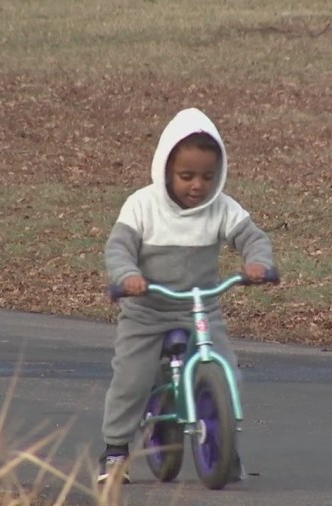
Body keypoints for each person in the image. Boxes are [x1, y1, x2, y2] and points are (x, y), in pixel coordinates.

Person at [99, 107, 275, 484]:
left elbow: (252, 238)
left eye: (208, 177)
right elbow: (118, 248)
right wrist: (128, 275)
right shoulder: (142, 205)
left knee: (226, 373)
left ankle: (222, 443)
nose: (197, 185)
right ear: (165, 169)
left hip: (200, 308)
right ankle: (115, 450)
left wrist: (257, 263)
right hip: (147, 309)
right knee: (132, 378)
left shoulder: (222, 208)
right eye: (186, 176)